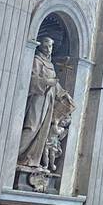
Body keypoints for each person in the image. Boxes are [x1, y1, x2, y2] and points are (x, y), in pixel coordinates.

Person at [18, 37, 75, 174]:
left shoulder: (50, 64)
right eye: (46, 46)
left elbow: (56, 84)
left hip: (48, 101)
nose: (48, 49)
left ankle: (31, 160)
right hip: (37, 98)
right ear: (40, 47)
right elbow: (31, 79)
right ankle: (17, 154)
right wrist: (47, 82)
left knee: (42, 131)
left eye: (50, 47)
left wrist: (64, 94)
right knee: (31, 127)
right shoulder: (37, 60)